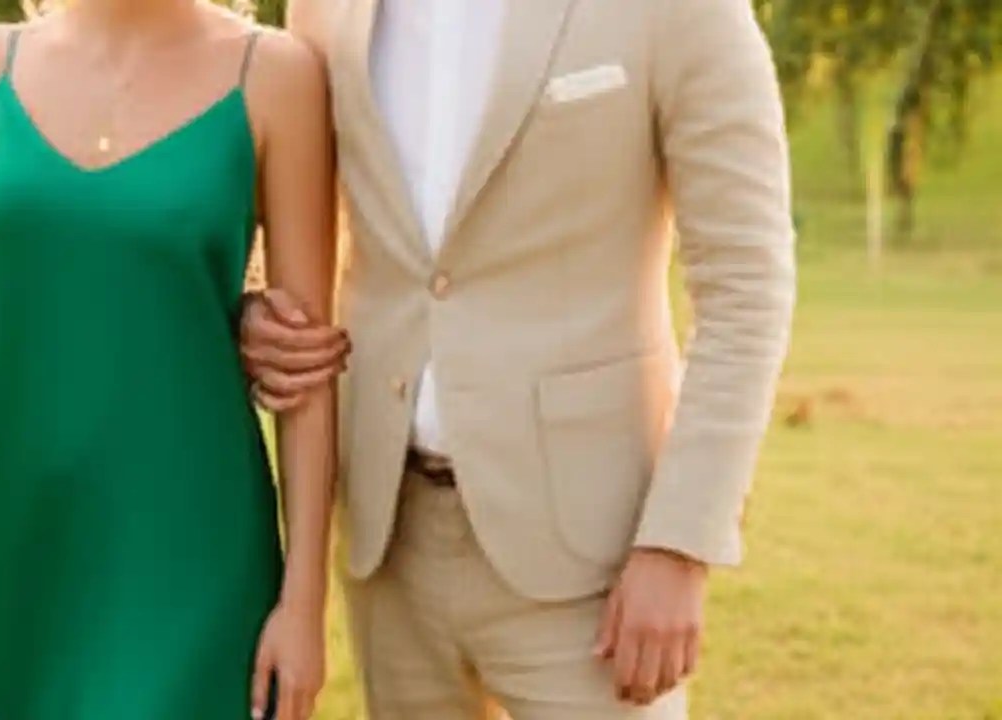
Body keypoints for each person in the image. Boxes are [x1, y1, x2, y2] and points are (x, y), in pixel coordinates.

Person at [241, 0, 796, 717]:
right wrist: (259, 306)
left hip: (593, 563)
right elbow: (303, 197)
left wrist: (680, 544)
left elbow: (747, 288)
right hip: (387, 536)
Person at [0, 1, 337, 718]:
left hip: (195, 560)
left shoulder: (276, 75)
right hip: (13, 557)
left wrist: (302, 599)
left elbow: (308, 368)